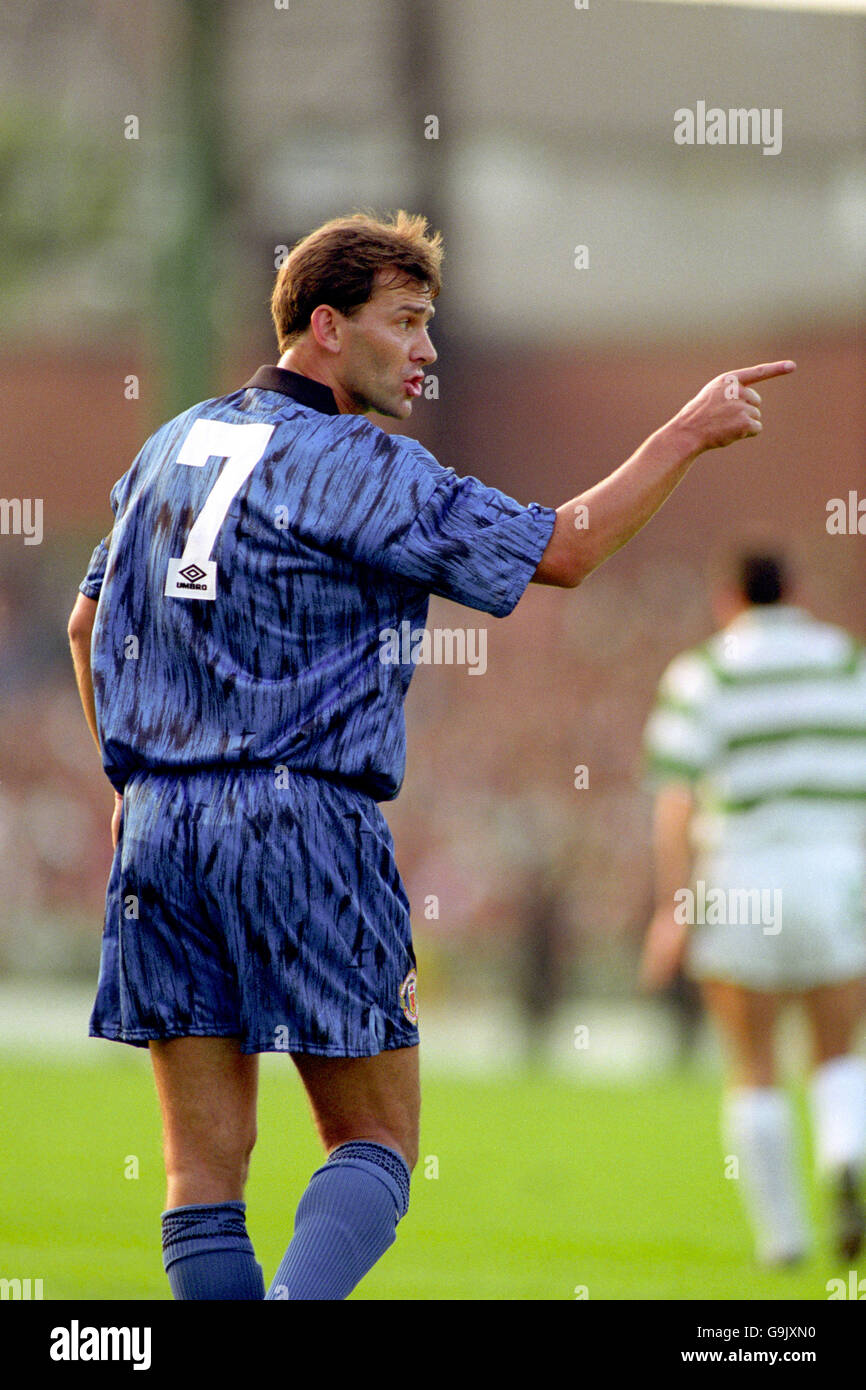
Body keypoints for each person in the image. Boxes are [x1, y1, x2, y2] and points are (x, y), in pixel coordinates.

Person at [67, 208, 795, 1300]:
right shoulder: (365, 465)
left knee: (200, 1171)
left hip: (161, 825)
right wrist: (683, 433)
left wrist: (128, 779)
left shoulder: (166, 444)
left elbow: (86, 630)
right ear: (324, 325)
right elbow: (565, 547)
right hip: (300, 816)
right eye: (404, 322)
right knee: (376, 1145)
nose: (426, 350)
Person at [640, 551, 866, 1266]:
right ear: (794, 593)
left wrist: (672, 909)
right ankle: (843, 1156)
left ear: (727, 598)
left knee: (753, 1063)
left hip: (743, 876)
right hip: (836, 871)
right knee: (837, 1054)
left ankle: (784, 1239)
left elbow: (675, 801)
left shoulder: (706, 672)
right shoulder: (845, 662)